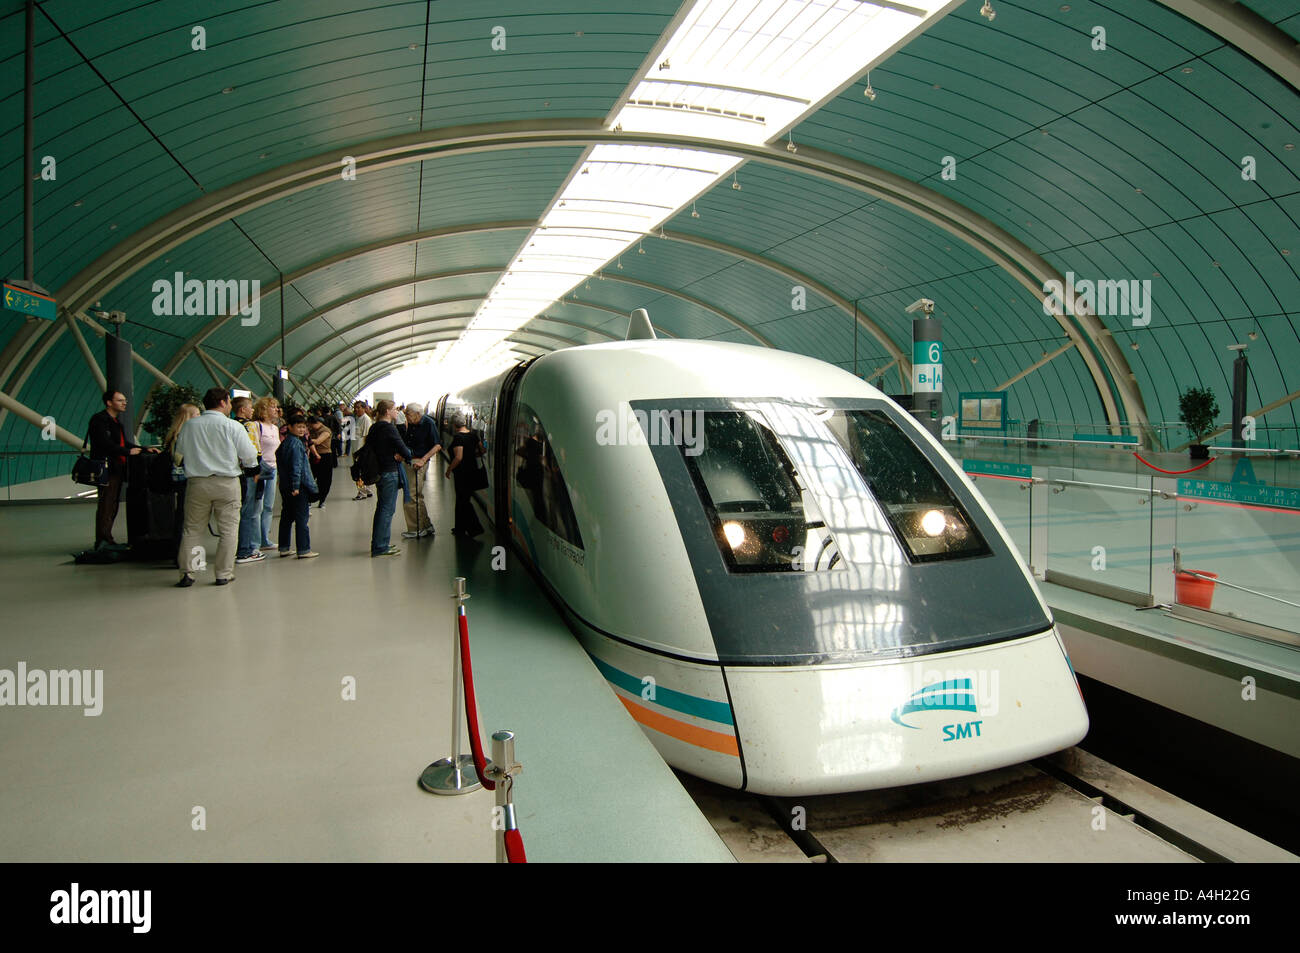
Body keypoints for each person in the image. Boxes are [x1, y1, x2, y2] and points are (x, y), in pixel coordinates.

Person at [173, 387, 257, 587]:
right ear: (222, 402)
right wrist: (251, 468)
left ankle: (190, 572)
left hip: (197, 483)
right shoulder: (233, 426)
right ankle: (223, 573)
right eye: (229, 402)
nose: (230, 406)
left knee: (193, 529)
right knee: (228, 529)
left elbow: (179, 455)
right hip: (226, 483)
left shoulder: (190, 426)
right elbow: (249, 456)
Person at [87, 389, 159, 550]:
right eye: (120, 400)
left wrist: (144, 449)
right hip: (107, 468)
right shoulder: (100, 420)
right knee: (107, 503)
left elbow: (123, 444)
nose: (124, 403)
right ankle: (103, 539)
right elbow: (105, 444)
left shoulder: (115, 421)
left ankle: (106, 537)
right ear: (109, 402)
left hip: (116, 467)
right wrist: (128, 452)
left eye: (124, 400)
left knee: (112, 503)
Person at [366, 399, 412, 556]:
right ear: (387, 411)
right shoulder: (389, 428)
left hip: (379, 471)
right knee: (387, 510)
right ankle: (380, 547)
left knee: (381, 509)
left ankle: (379, 544)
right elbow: (404, 450)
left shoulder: (374, 427)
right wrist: (408, 455)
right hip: (389, 471)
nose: (397, 412)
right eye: (394, 409)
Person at [276, 413, 319, 559]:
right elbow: (297, 466)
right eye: (298, 427)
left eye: (303, 427)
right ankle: (304, 549)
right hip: (298, 486)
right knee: (302, 518)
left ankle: (284, 547)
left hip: (285, 484)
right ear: (290, 427)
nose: (302, 430)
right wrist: (295, 486)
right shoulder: (296, 444)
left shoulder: (286, 442)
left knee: (287, 516)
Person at [397, 403, 442, 539]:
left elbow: (437, 445)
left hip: (418, 462)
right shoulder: (411, 423)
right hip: (410, 460)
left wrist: (423, 460)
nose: (406, 417)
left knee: (411, 496)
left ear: (418, 413)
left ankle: (416, 529)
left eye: (408, 414)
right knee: (417, 495)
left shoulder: (428, 423)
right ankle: (426, 526)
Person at [163, 403, 201, 565]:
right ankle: (187, 558)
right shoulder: (188, 436)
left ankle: (180, 554)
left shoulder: (174, 436)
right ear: (189, 417)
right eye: (197, 414)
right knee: (190, 521)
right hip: (189, 480)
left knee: (182, 517)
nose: (200, 417)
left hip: (179, 480)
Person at [232, 396, 267, 565]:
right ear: (242, 409)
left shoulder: (232, 425)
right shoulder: (248, 426)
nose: (252, 410)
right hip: (250, 472)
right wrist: (256, 470)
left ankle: (238, 547)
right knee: (250, 511)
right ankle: (245, 550)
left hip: (236, 473)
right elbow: (253, 451)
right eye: (250, 407)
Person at [445, 412, 486, 538]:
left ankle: (475, 528)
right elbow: (482, 450)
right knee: (463, 500)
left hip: (462, 474)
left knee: (463, 501)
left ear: (454, 424)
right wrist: (472, 456)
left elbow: (458, 457)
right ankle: (459, 528)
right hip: (472, 471)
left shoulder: (458, 438)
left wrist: (449, 469)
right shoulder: (473, 435)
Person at [251, 396, 282, 549]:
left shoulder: (275, 428)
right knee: (257, 506)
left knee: (268, 505)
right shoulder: (257, 426)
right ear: (263, 409)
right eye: (273, 407)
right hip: (260, 470)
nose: (276, 410)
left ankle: (265, 538)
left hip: (273, 468)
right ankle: (255, 541)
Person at [308, 418, 334, 508]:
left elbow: (318, 441)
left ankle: (322, 499)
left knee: (325, 480)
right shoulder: (311, 430)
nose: (310, 427)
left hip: (325, 456)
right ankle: (309, 500)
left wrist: (307, 439)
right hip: (313, 456)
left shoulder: (326, 430)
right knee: (311, 477)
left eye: (311, 425)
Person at [352, 400, 373, 500]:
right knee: (363, 471)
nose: (356, 409)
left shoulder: (366, 419)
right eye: (355, 407)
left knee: (359, 471)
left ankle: (362, 492)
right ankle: (367, 490)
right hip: (356, 448)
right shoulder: (357, 418)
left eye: (359, 407)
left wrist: (362, 452)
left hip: (360, 449)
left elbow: (366, 435)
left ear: (364, 408)